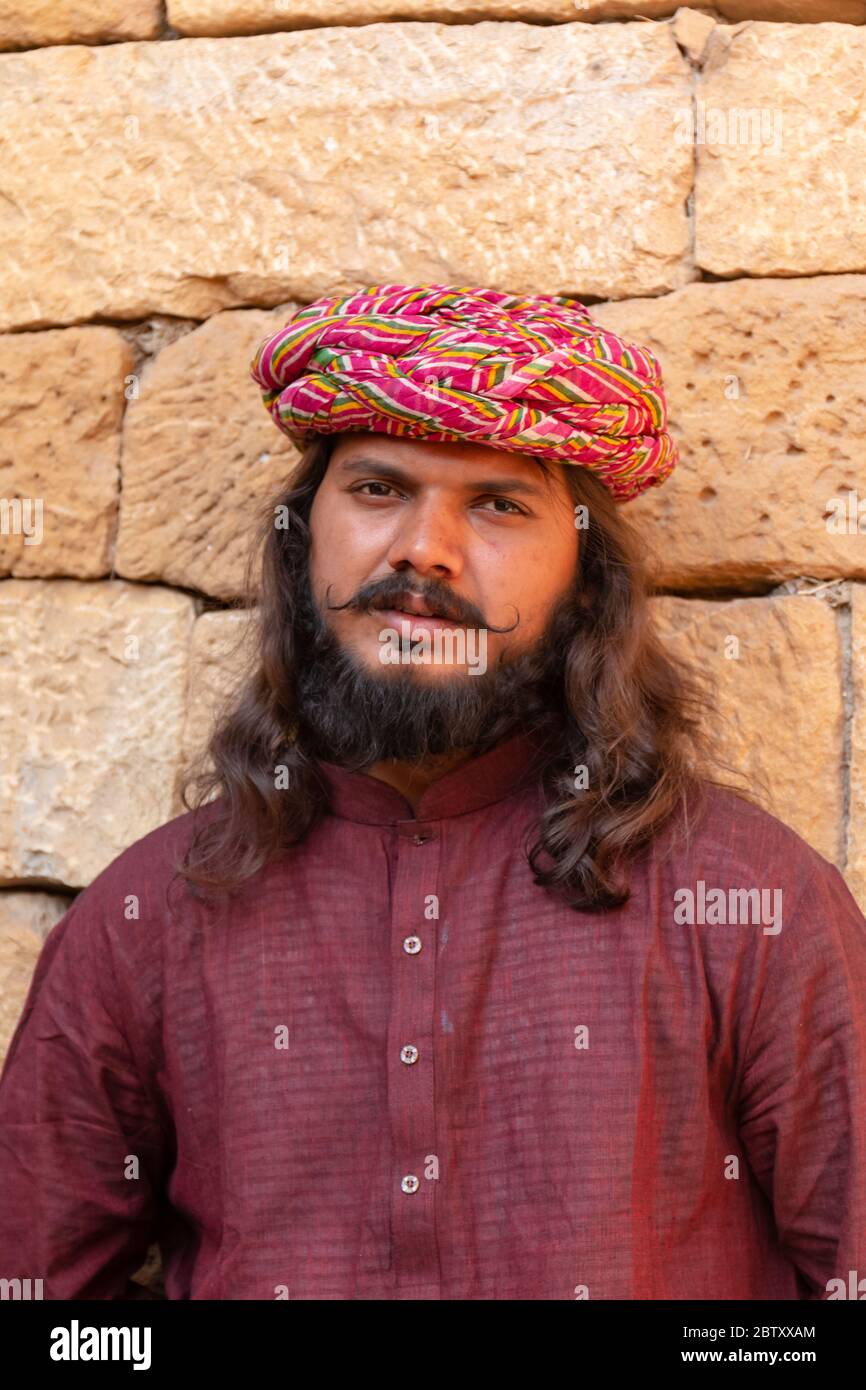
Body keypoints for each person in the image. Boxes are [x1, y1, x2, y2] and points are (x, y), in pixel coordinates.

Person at [0, 283, 864, 1301]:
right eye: (376, 490)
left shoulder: (748, 904)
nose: (421, 549)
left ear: (586, 579)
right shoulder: (146, 919)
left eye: (496, 504)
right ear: (299, 538)